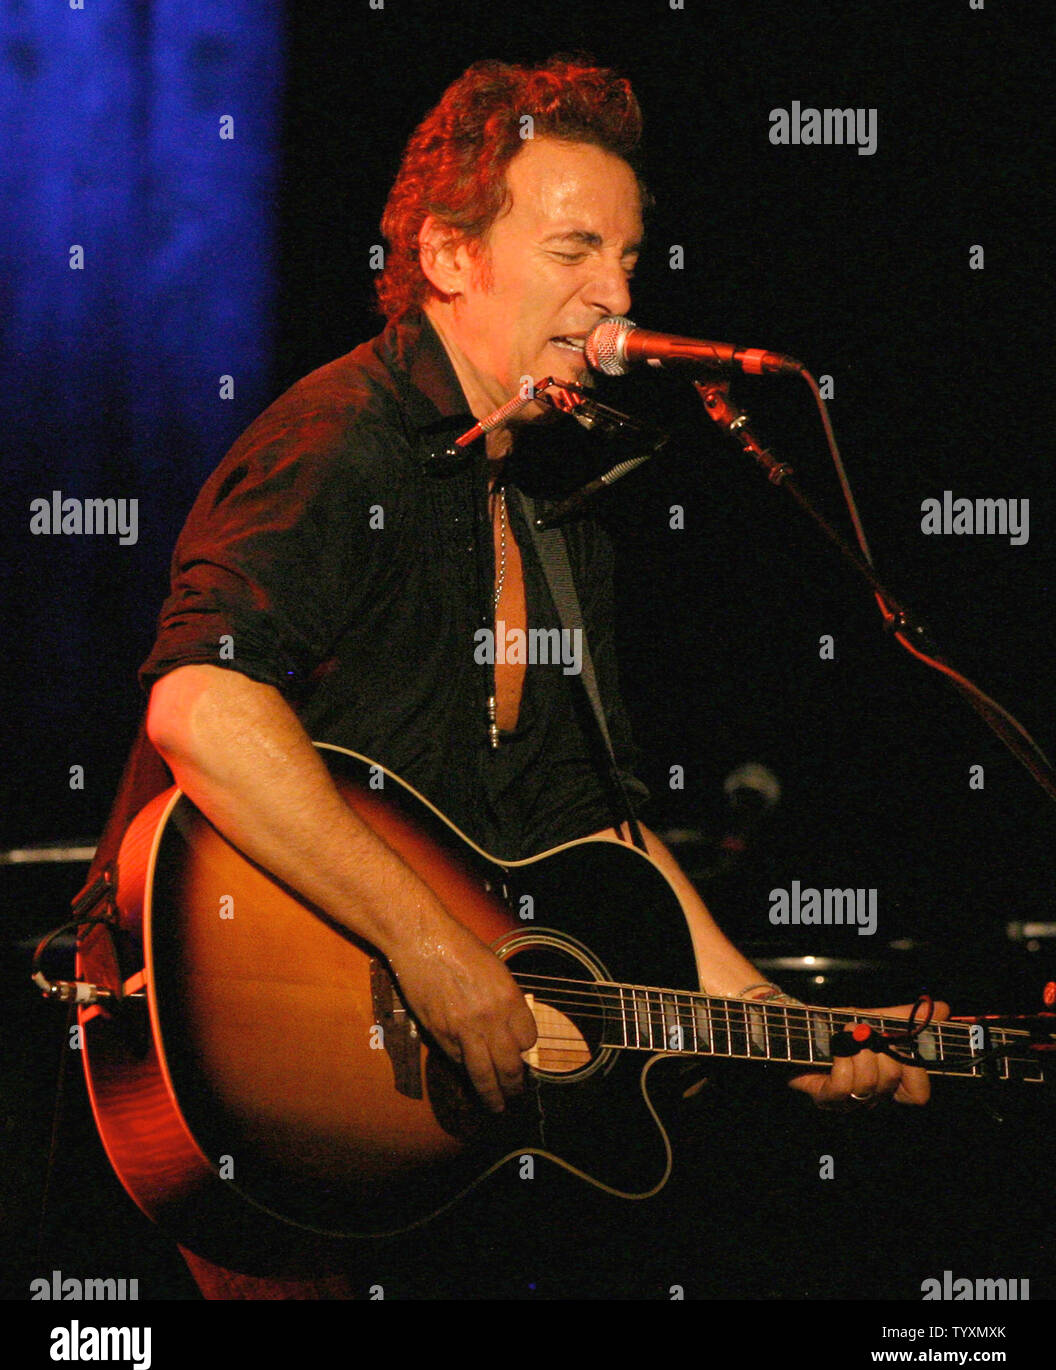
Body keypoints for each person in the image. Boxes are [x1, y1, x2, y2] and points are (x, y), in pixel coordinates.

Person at [137, 57, 943, 1298]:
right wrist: (432, 947)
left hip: (434, 1136)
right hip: (256, 1056)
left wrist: (783, 1023)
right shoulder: (340, 438)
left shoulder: (561, 499)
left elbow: (597, 820)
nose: (615, 296)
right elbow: (202, 701)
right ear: (452, 258)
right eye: (574, 251)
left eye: (627, 258)